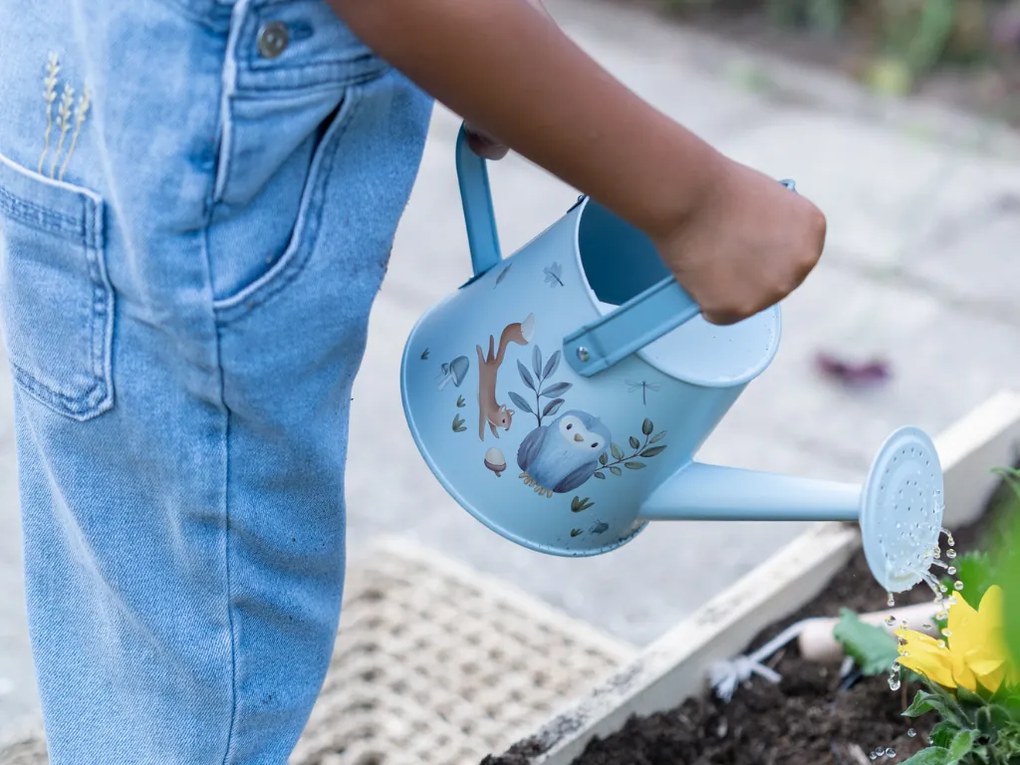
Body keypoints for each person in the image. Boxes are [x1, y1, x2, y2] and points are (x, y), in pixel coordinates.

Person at [0, 0, 825, 762]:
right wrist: (695, 203)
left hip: (79, 108)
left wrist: (496, 53)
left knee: (134, 608)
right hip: (202, 194)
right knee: (210, 647)